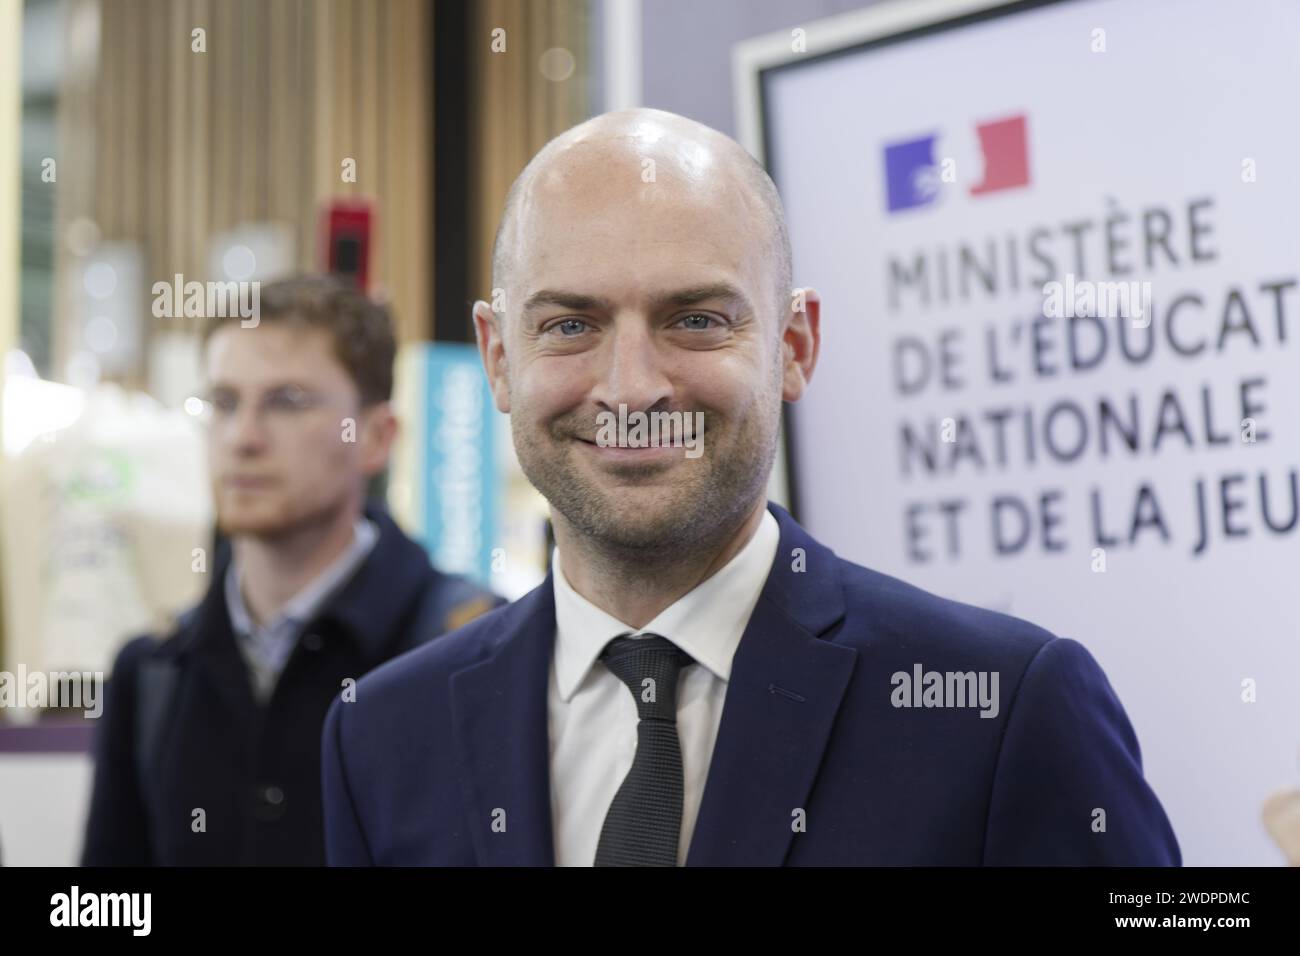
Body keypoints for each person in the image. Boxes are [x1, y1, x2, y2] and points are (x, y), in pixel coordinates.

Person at [320, 109, 1180, 866]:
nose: (630, 389)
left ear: (795, 346)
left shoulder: (1004, 710)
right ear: (499, 356)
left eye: (694, 319)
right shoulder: (385, 738)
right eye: (570, 324)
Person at [82, 274, 501, 865]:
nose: (243, 437)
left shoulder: (469, 654)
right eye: (224, 402)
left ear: (376, 438)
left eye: (286, 402)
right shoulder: (154, 672)